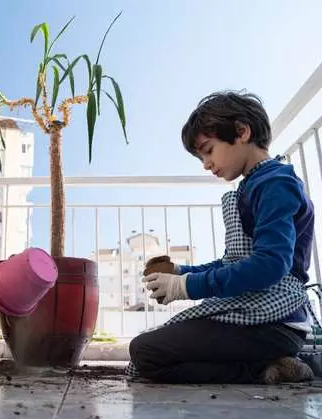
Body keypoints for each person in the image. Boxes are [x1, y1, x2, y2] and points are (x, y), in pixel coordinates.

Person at [127, 91, 316, 384]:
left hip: (274, 320)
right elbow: (232, 263)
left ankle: (266, 370)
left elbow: (269, 265)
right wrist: (181, 272)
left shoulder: (276, 184)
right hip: (257, 314)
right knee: (149, 348)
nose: (205, 163)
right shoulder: (253, 185)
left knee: (146, 352)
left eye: (208, 150)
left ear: (241, 132)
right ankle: (273, 363)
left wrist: (187, 287)